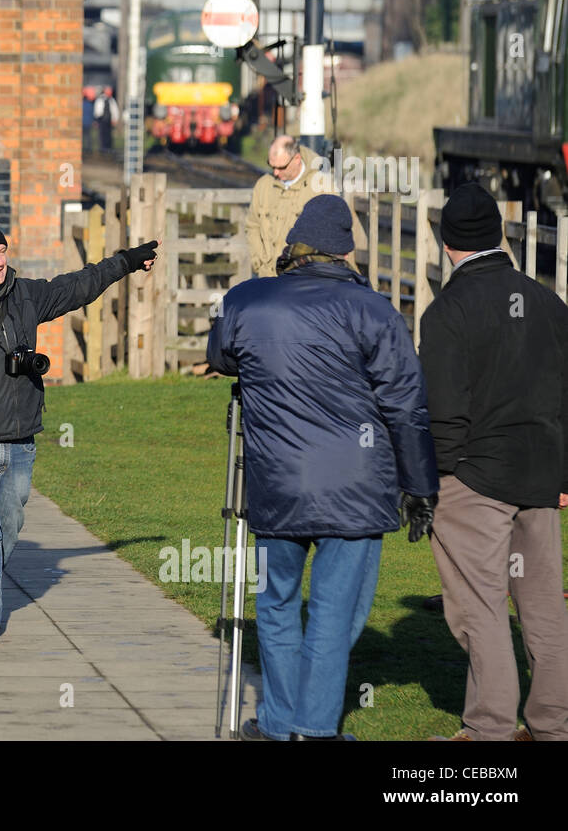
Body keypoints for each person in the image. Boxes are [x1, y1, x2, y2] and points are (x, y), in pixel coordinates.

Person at [207, 195, 438, 740]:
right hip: (356, 490)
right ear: (346, 252)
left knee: (278, 604)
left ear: (295, 245)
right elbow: (407, 406)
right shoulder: (376, 311)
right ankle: (313, 728)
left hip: (277, 486)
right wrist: (420, 488)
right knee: (335, 616)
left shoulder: (246, 301)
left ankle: (280, 722)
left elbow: (220, 356)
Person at [0, 218, 159, 643]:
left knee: (8, 523)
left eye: (2, 252)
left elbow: (80, 285)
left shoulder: (26, 296)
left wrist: (126, 262)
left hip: (19, 440)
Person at [417, 183, 568, 741]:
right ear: (499, 237)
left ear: (446, 243)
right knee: (542, 605)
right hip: (541, 476)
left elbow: (443, 409)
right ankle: (553, 724)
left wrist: (436, 477)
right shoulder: (549, 303)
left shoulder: (447, 312)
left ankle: (489, 730)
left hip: (473, 477)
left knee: (478, 607)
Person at [244, 135, 326, 277]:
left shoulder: (321, 187)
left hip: (303, 280)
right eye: (272, 166)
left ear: (296, 159)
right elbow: (252, 226)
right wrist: (258, 262)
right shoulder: (263, 185)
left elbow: (331, 235)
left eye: (281, 167)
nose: (275, 172)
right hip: (267, 278)